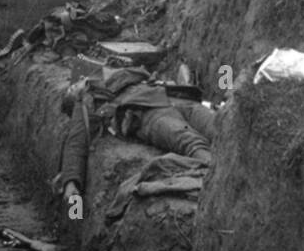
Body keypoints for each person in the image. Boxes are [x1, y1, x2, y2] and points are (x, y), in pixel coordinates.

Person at [53, 67, 215, 206]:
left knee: (220, 127)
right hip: (148, 116)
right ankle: (217, 183)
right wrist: (71, 182)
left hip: (175, 100)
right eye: (71, 89)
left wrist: (107, 75)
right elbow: (76, 142)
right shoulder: (84, 107)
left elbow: (142, 72)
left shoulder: (106, 80)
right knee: (191, 142)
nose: (76, 83)